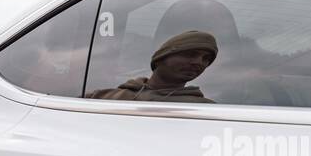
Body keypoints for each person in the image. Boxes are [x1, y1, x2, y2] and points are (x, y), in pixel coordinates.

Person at [86, 30, 219, 103]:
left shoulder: (206, 110)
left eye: (206, 59)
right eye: (190, 54)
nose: (199, 62)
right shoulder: (100, 98)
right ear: (160, 58)